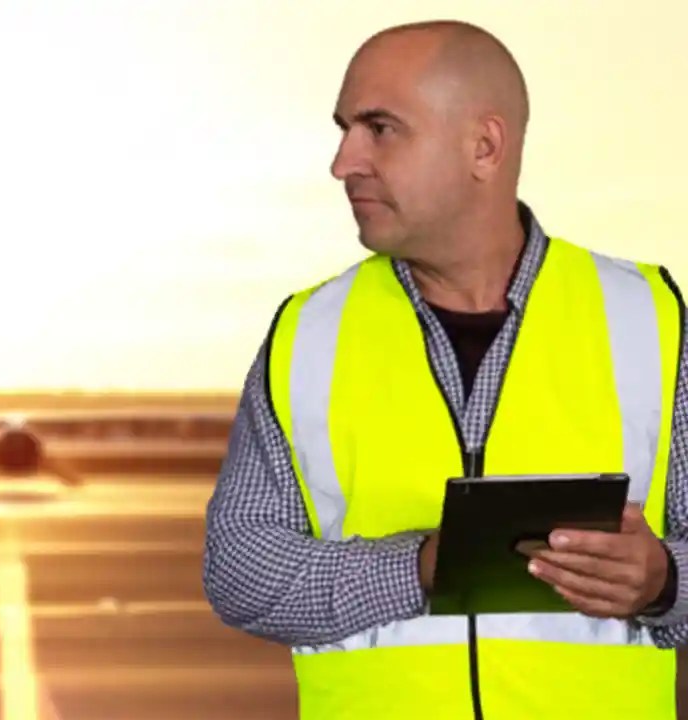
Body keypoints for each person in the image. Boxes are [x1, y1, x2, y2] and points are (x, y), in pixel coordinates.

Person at [202, 19, 688, 720]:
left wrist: (664, 579)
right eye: (344, 130)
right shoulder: (306, 332)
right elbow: (239, 570)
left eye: (380, 129)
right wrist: (418, 568)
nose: (343, 163)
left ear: (484, 147)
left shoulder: (650, 318)